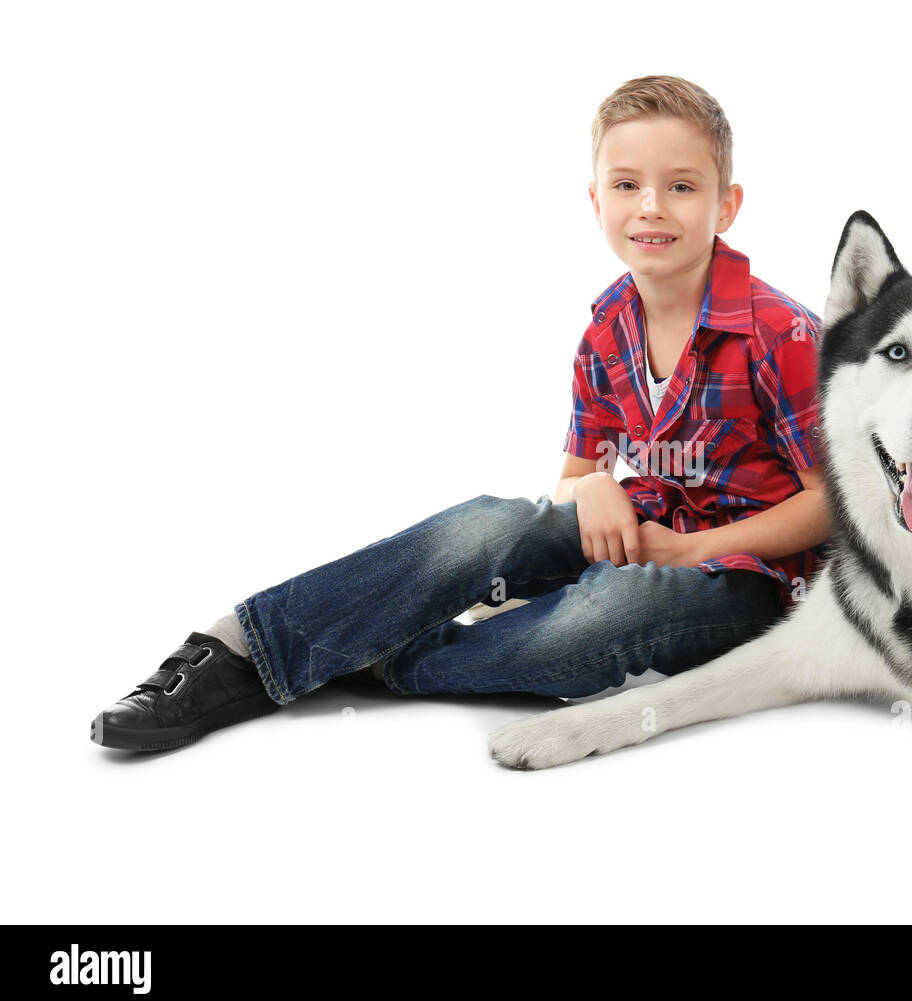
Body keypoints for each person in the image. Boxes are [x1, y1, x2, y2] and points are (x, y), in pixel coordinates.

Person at [90, 74, 832, 752]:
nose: (651, 207)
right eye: (628, 184)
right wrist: (595, 488)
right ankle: (241, 650)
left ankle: (375, 653)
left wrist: (691, 552)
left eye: (681, 187)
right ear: (596, 199)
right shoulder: (607, 330)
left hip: (753, 580)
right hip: (644, 529)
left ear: (726, 204)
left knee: (601, 621)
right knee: (493, 525)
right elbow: (573, 482)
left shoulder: (780, 333)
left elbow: (832, 506)